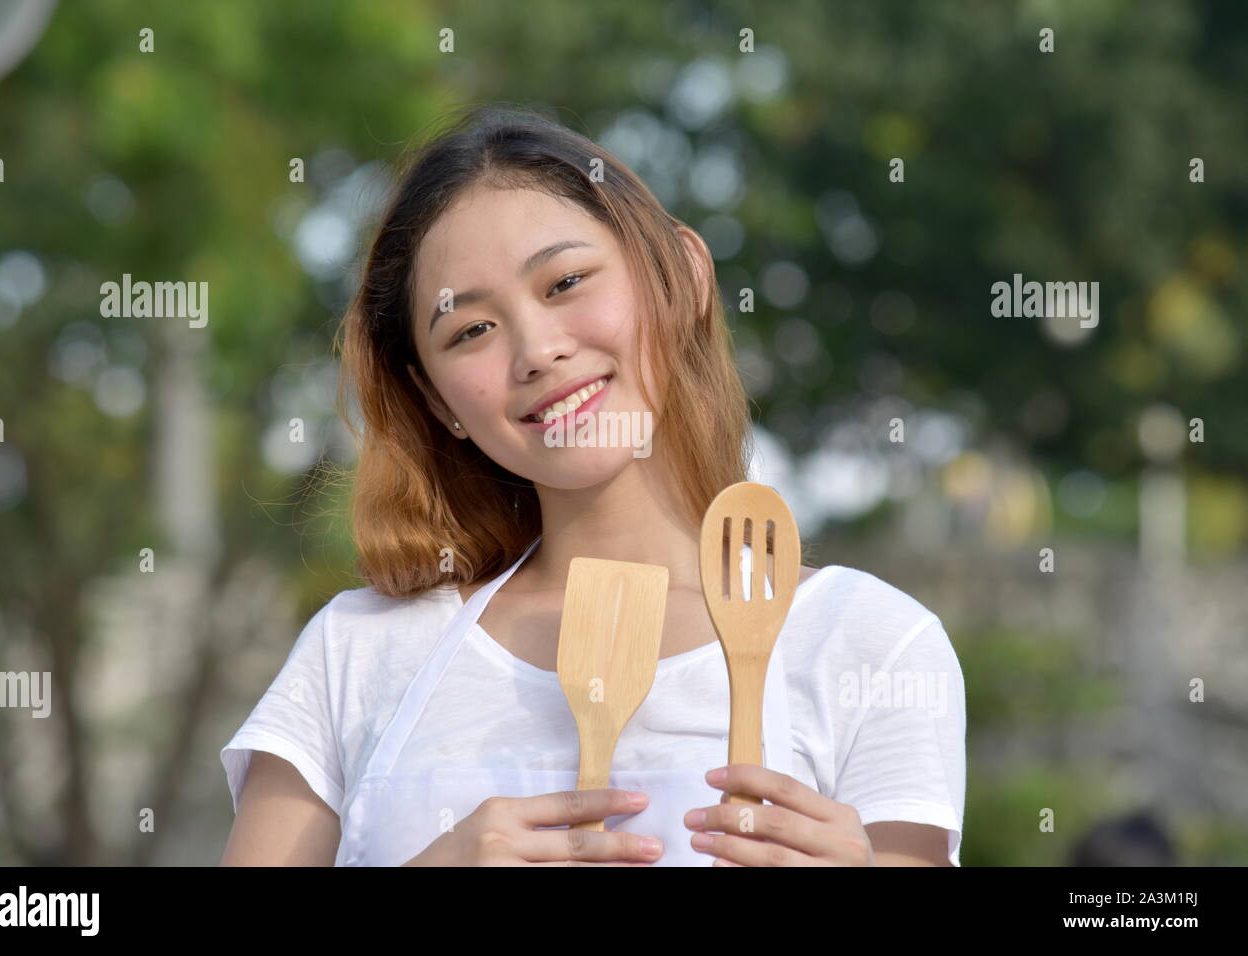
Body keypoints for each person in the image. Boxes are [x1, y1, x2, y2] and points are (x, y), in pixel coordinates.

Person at [219, 105, 966, 866]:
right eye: (470, 330)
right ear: (438, 399)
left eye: (566, 281)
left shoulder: (868, 642)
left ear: (683, 278)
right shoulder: (361, 651)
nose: (537, 351)